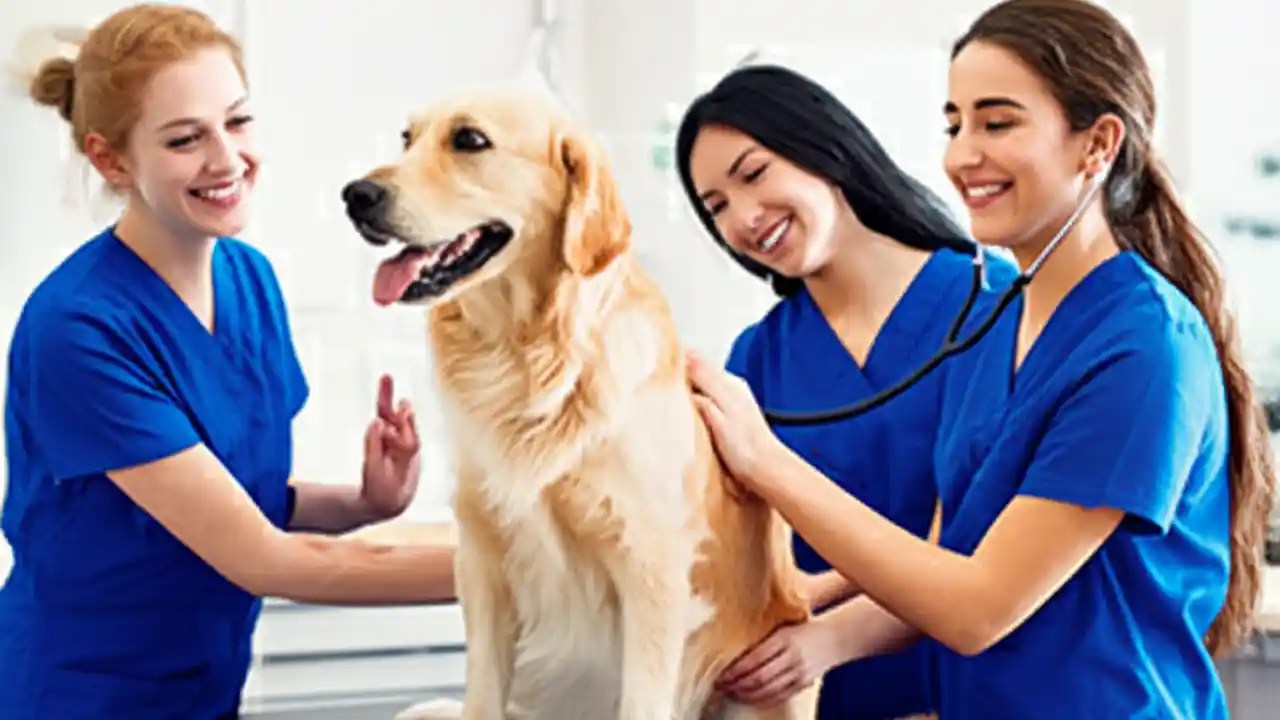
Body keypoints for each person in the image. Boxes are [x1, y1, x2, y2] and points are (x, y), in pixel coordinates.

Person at [685, 1, 1277, 718]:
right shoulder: (994, 327)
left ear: (1096, 145)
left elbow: (977, 606)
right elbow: (944, 560)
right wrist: (821, 639)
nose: (962, 154)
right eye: (954, 123)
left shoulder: (1143, 344)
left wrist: (764, 459)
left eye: (998, 123)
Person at [0, 5, 456, 718]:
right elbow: (262, 559)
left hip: (206, 690)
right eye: (185, 139)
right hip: (77, 697)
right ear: (110, 158)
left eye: (237, 122)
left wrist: (368, 503)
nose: (226, 159)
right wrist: (522, 571)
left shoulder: (248, 279)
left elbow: (248, 497)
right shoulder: (78, 330)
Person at [675, 64, 1016, 718]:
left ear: (824, 150)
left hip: (968, 692)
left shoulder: (993, 309)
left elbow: (988, 551)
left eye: (753, 174)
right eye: (716, 206)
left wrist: (826, 625)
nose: (744, 217)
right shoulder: (756, 360)